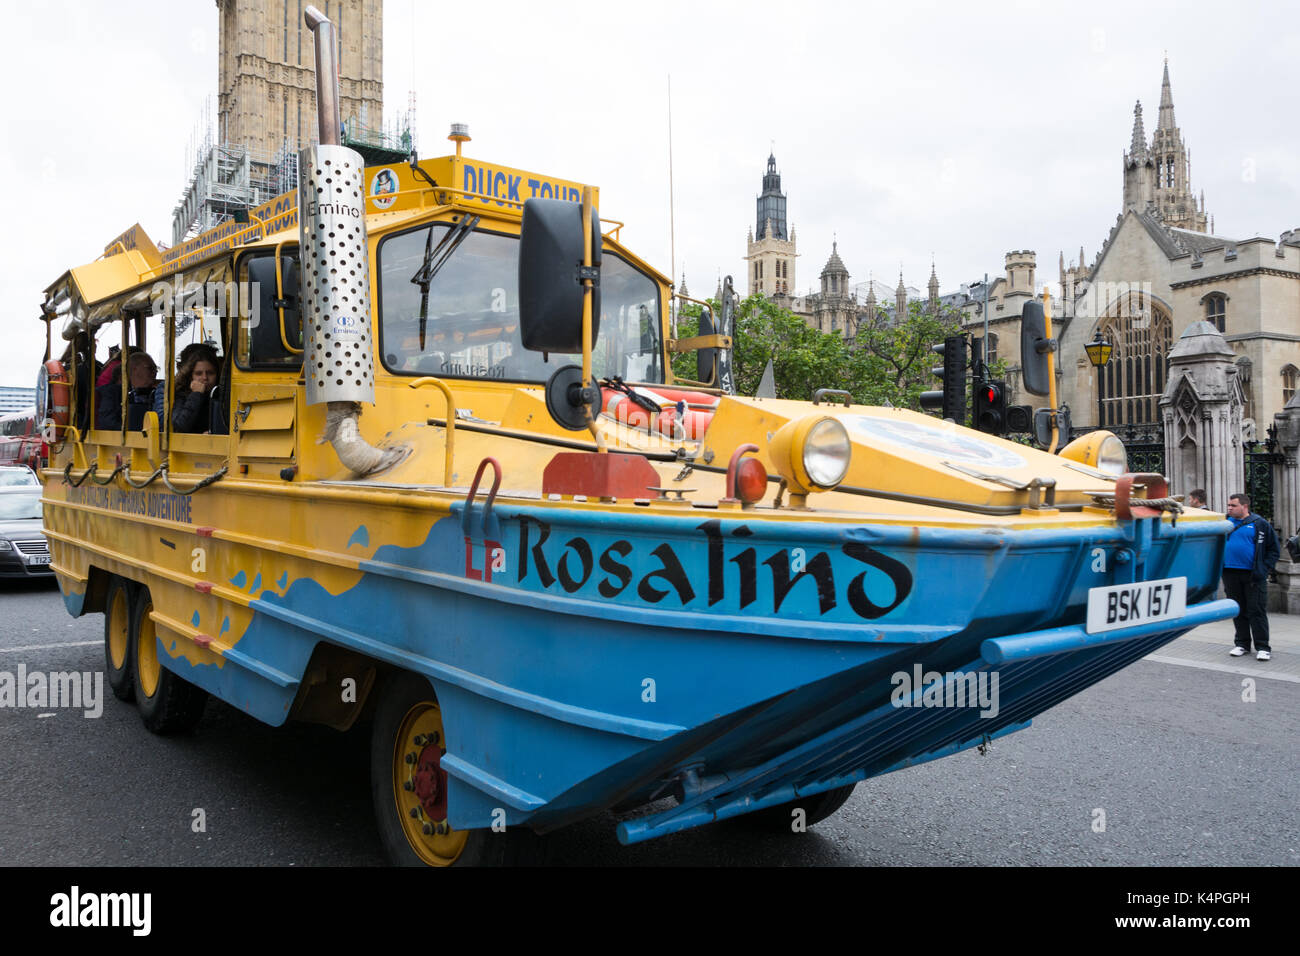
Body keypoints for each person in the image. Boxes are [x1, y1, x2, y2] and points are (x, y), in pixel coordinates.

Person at [1222, 493, 1278, 661]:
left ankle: (1262, 647)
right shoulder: (1224, 522)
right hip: (1230, 572)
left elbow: (1273, 549)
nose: (1229, 508)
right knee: (1238, 610)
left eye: (1233, 505)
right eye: (1229, 505)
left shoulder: (1260, 524)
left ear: (1244, 506)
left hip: (1253, 574)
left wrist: (1264, 568)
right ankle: (1242, 644)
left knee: (1256, 610)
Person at [171, 346, 220, 434]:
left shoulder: (221, 396)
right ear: (190, 376)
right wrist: (196, 394)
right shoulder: (181, 395)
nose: (205, 378)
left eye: (210, 373)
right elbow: (180, 426)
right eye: (198, 374)